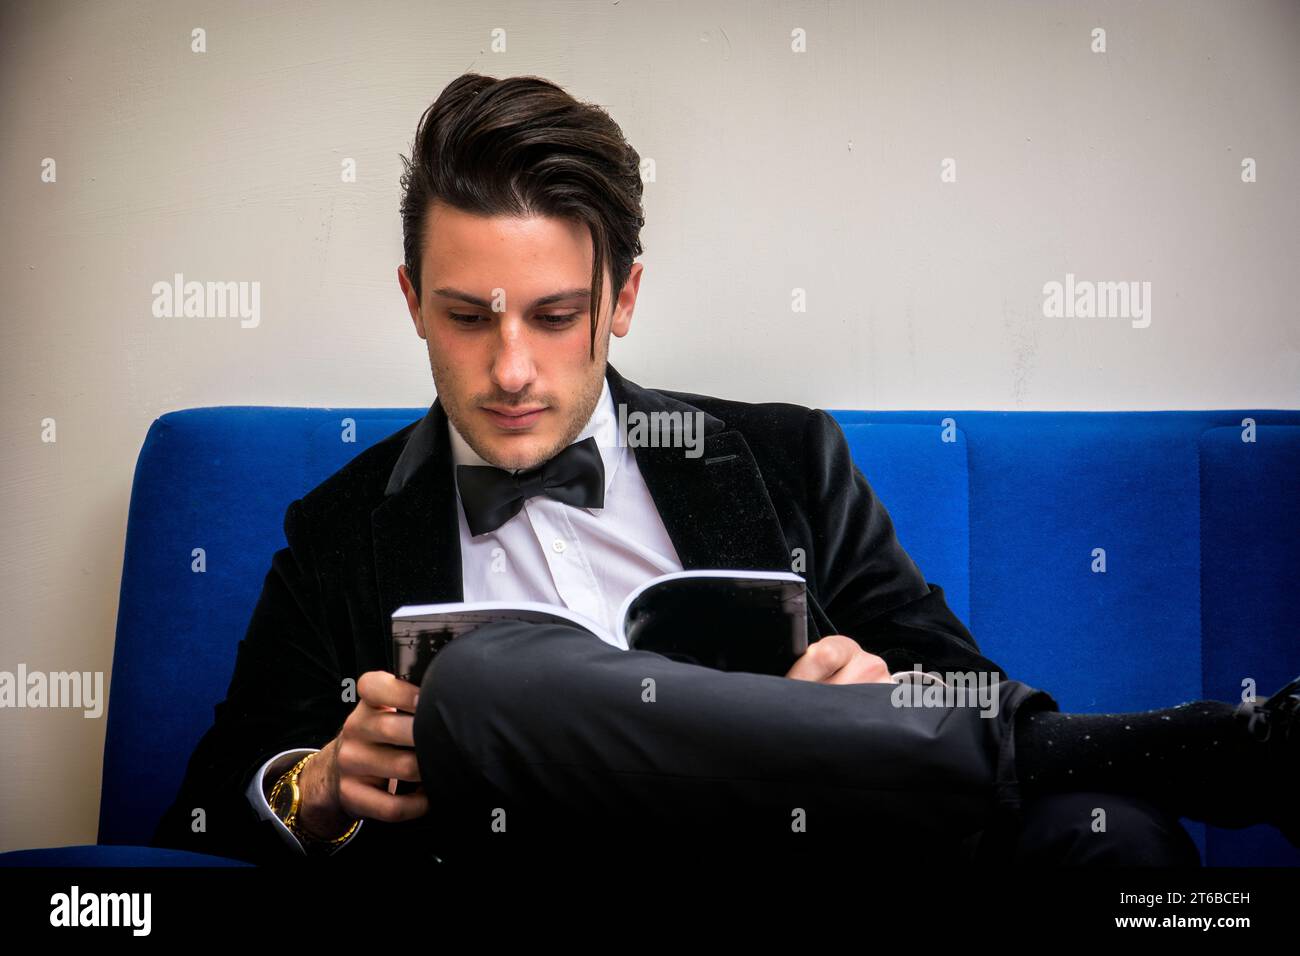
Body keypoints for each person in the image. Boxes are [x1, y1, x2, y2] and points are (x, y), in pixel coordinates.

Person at [151, 73, 1298, 867]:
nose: (510, 369)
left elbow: (960, 683)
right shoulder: (340, 530)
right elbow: (192, 816)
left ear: (625, 300)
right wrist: (315, 785)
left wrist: (873, 685)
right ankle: (1205, 744)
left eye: (556, 317)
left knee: (1117, 839)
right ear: (412, 302)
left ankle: (1153, 764)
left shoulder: (784, 455)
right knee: (484, 685)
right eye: (466, 318)